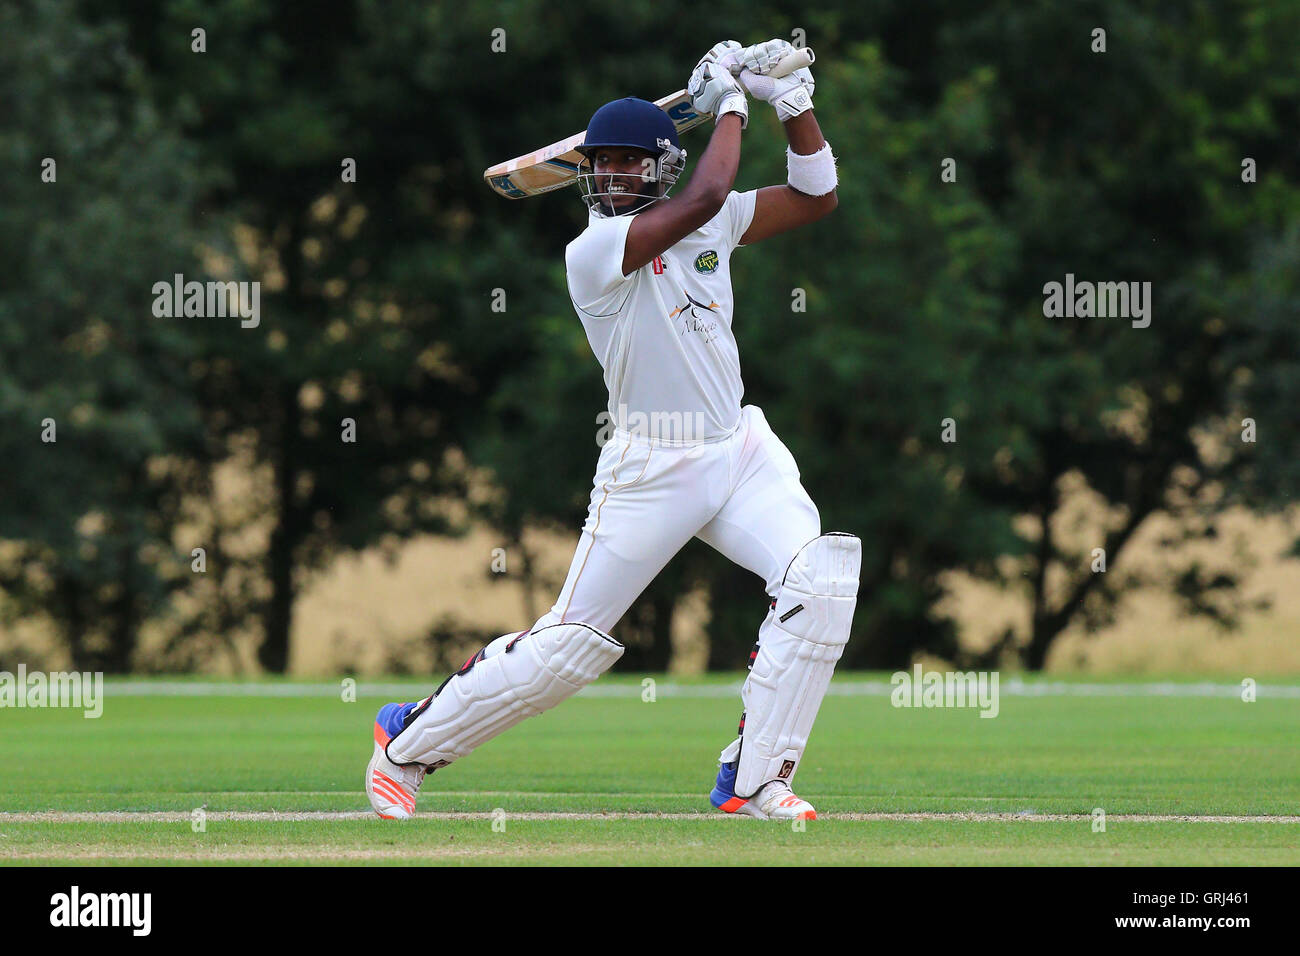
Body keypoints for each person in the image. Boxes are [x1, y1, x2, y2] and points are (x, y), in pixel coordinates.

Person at [366, 39, 860, 821]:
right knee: (568, 651)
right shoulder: (594, 251)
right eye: (603, 164)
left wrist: (793, 105)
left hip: (737, 448)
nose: (613, 177)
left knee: (822, 581)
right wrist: (732, 100)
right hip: (649, 467)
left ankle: (755, 780)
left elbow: (818, 195)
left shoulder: (711, 220)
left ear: (663, 165)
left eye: (632, 163)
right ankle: (407, 744)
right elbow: (701, 198)